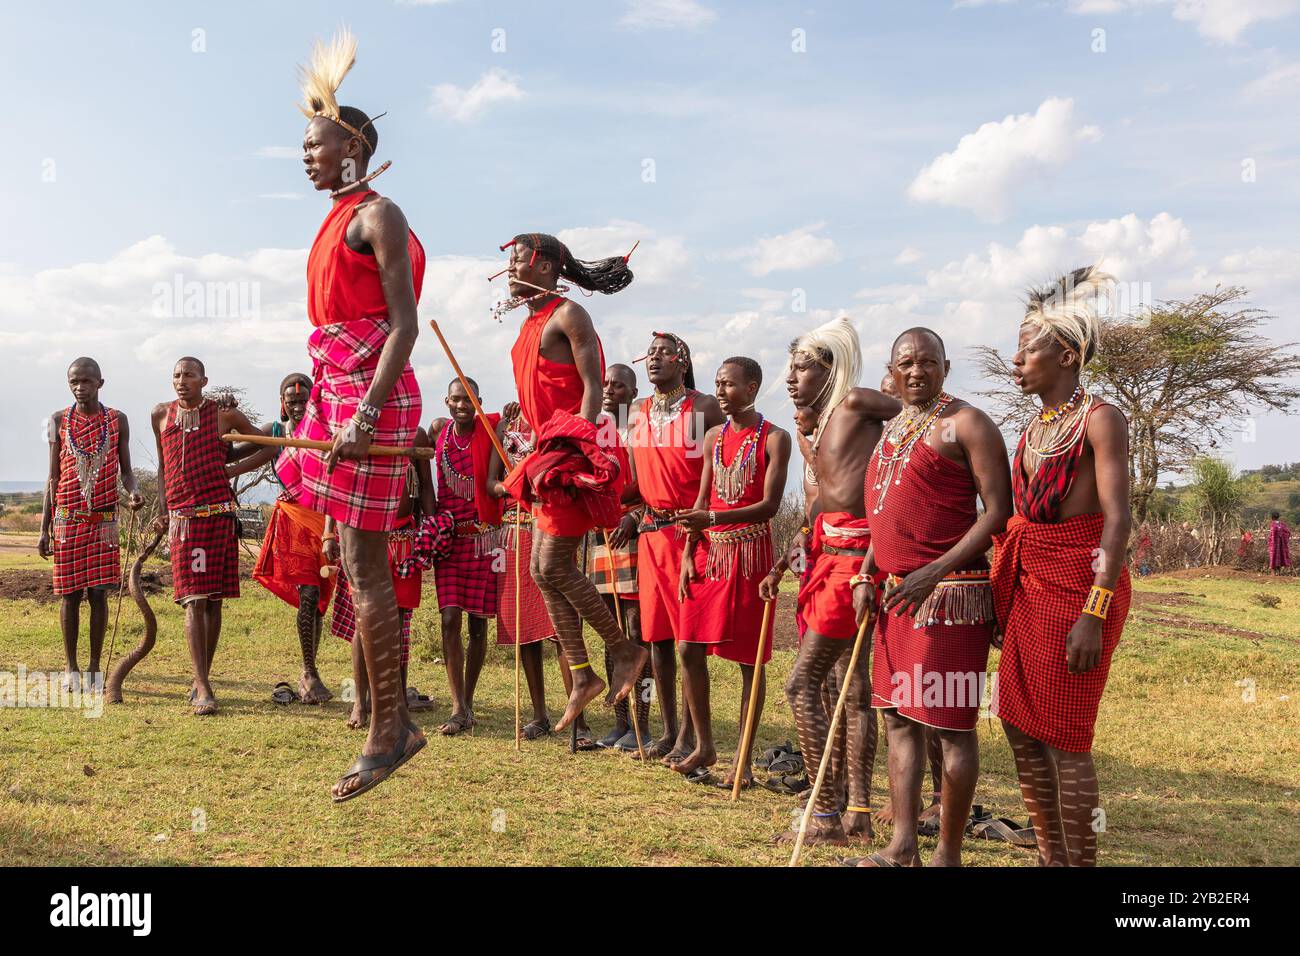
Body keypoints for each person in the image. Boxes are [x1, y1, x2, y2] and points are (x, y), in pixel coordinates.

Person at [274, 29, 427, 800]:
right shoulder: (334, 219)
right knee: (346, 554)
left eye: (317, 143)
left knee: (367, 568)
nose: (306, 155)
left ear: (353, 148)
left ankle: (388, 729)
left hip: (376, 394)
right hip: (339, 391)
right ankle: (387, 722)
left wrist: (363, 417)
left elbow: (402, 324)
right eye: (304, 145)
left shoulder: (380, 214)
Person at [853, 327, 1011, 868]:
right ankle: (902, 846)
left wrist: (934, 571)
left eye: (927, 362)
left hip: (951, 595)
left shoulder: (966, 423)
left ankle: (947, 854)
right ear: (892, 371)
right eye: (906, 364)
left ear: (946, 366)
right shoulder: (893, 428)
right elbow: (882, 514)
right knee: (899, 718)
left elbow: (997, 512)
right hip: (898, 597)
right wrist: (866, 576)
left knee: (949, 725)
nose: (916, 371)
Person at [990, 265, 1132, 867]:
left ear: (1068, 355)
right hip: (1031, 584)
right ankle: (1051, 855)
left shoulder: (1101, 418)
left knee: (1066, 736)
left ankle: (1081, 863)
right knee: (1021, 727)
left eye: (1028, 349)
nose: (1015, 360)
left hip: (1080, 590)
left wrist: (1093, 614)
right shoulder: (1032, 428)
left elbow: (1117, 521)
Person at [500, 232, 650, 733]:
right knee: (543, 572)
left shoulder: (569, 315)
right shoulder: (528, 325)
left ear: (544, 266)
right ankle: (585, 674)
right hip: (546, 454)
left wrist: (572, 449)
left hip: (571, 456)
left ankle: (624, 649)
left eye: (519, 260)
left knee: (551, 565)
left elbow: (593, 386)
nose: (510, 269)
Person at [764, 317, 898, 846]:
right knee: (853, 689)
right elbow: (822, 499)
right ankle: (855, 809)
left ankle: (824, 814)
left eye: (802, 367)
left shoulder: (857, 403)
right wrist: (794, 548)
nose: (792, 378)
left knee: (802, 684)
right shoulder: (821, 422)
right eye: (791, 367)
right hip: (830, 556)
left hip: (856, 562)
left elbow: (920, 408)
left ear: (831, 368)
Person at [677, 357, 791, 787]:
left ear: (753, 387)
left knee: (750, 661)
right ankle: (705, 745)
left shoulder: (775, 438)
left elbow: (770, 506)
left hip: (751, 556)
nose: (720, 391)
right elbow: (703, 498)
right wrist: (689, 551)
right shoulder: (712, 437)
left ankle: (741, 760)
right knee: (687, 647)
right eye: (718, 384)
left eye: (729, 385)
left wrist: (712, 522)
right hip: (710, 551)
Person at [627, 332, 725, 765]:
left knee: (689, 639)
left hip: (689, 534)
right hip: (650, 533)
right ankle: (668, 731)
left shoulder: (703, 407)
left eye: (665, 354)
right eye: (650, 354)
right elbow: (634, 477)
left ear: (682, 362)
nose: (655, 360)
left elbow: (718, 468)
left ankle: (691, 734)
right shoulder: (636, 411)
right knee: (657, 639)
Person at [150, 356, 263, 716]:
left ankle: (203, 678)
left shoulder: (223, 414)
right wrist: (165, 510)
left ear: (204, 380)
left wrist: (229, 468)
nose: (182, 381)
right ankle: (201, 684)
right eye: (177, 375)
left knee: (213, 600)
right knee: (193, 600)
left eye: (190, 376)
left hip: (218, 517)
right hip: (184, 522)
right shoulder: (160, 415)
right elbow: (163, 467)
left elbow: (269, 444)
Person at [39, 357, 145, 691]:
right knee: (69, 595)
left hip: (104, 520)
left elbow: (125, 470)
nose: (80, 387)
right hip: (67, 519)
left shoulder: (117, 420)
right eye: (74, 382)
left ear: (100, 382)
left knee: (99, 594)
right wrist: (44, 529)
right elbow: (53, 477)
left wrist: (134, 492)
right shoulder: (57, 420)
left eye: (86, 381)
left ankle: (95, 668)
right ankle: (71, 668)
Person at [326, 424, 436, 728]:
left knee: (399, 623)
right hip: (366, 539)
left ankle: (394, 700)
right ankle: (359, 703)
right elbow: (336, 484)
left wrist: (435, 530)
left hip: (404, 540)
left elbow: (425, 486)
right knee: (366, 620)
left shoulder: (416, 436)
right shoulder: (351, 432)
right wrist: (329, 534)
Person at [248, 373, 337, 704]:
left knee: (318, 604)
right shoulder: (275, 432)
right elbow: (241, 445)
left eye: (304, 400)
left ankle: (308, 672)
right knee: (309, 594)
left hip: (323, 522)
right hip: (292, 524)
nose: (298, 406)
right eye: (292, 400)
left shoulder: (324, 432)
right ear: (282, 403)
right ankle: (310, 672)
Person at [489, 408, 567, 740]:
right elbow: (492, 484)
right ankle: (539, 714)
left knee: (561, 628)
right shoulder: (505, 427)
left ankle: (576, 715)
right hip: (513, 531)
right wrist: (513, 486)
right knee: (524, 627)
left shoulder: (556, 422)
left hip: (550, 527)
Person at [429, 378, 501, 735]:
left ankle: (467, 702)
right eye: (456, 399)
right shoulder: (439, 434)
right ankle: (457, 705)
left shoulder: (491, 429)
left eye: (468, 399)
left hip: (483, 540)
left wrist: (511, 414)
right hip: (451, 541)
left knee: (477, 623)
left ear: (478, 401)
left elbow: (514, 426)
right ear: (446, 401)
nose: (462, 405)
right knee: (449, 619)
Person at [588, 364, 653, 751]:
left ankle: (642, 725)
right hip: (602, 536)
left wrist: (633, 515)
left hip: (636, 533)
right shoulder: (596, 433)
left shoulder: (642, 432)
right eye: (606, 383)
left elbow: (657, 485)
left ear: (633, 391)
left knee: (635, 633)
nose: (611, 390)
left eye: (619, 385)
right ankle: (619, 720)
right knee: (610, 633)